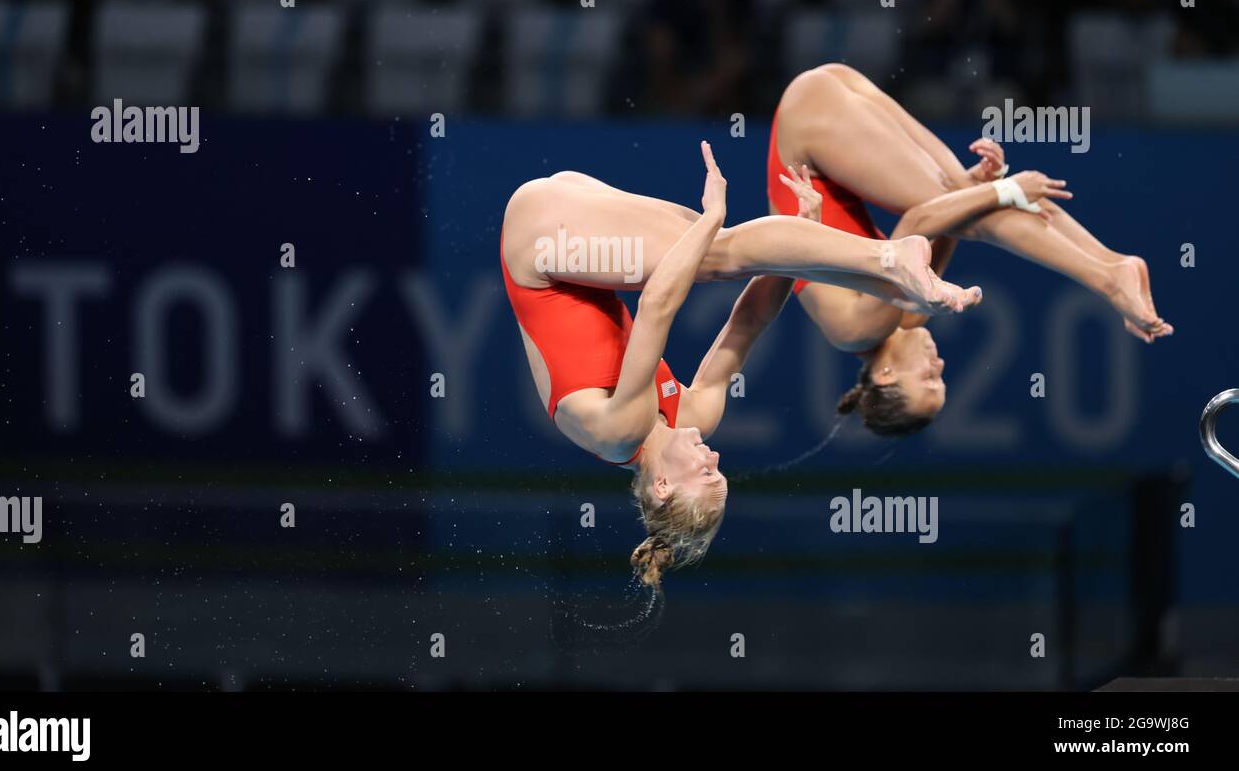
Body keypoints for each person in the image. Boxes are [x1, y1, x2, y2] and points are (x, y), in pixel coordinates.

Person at [500, 142, 980, 587]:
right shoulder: (696, 418)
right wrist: (800, 246)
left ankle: (891, 261)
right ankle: (890, 270)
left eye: (706, 473)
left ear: (662, 486)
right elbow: (748, 323)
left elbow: (658, 306)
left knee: (716, 253)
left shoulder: (619, 431)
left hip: (539, 244)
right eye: (719, 471)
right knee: (727, 253)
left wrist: (714, 217)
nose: (715, 458)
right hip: (575, 241)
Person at [768, 62, 1169, 437]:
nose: (939, 366)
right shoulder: (908, 319)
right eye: (940, 379)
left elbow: (916, 223)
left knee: (983, 206)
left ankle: (1110, 280)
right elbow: (943, 225)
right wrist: (983, 185)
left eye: (928, 379)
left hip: (808, 126)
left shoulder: (857, 332)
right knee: (972, 200)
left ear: (886, 373)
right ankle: (1112, 261)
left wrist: (1003, 189)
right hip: (828, 94)